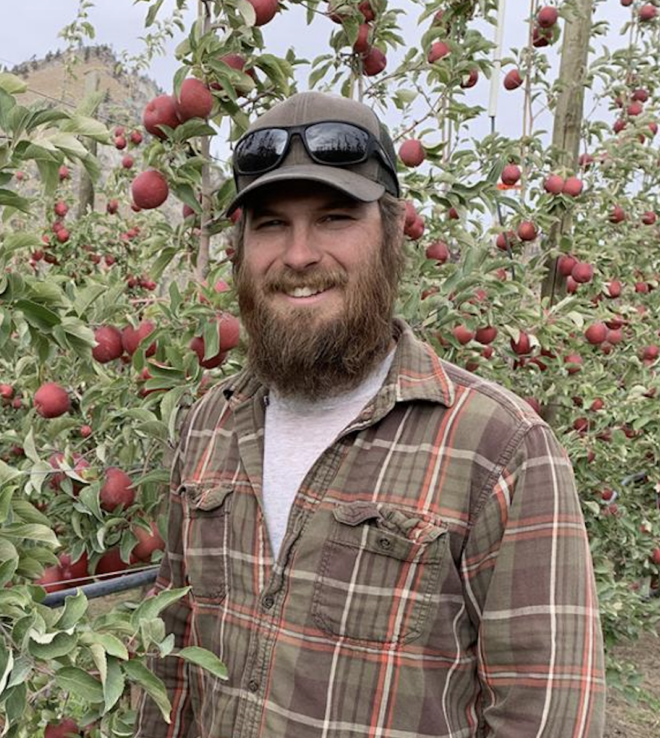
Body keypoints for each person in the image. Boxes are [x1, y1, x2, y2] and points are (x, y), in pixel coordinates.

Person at [134, 91, 606, 737]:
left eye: (333, 218)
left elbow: (546, 715)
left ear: (391, 232)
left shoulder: (499, 448)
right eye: (271, 224)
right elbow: (171, 665)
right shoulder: (207, 425)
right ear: (239, 249)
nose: (299, 255)